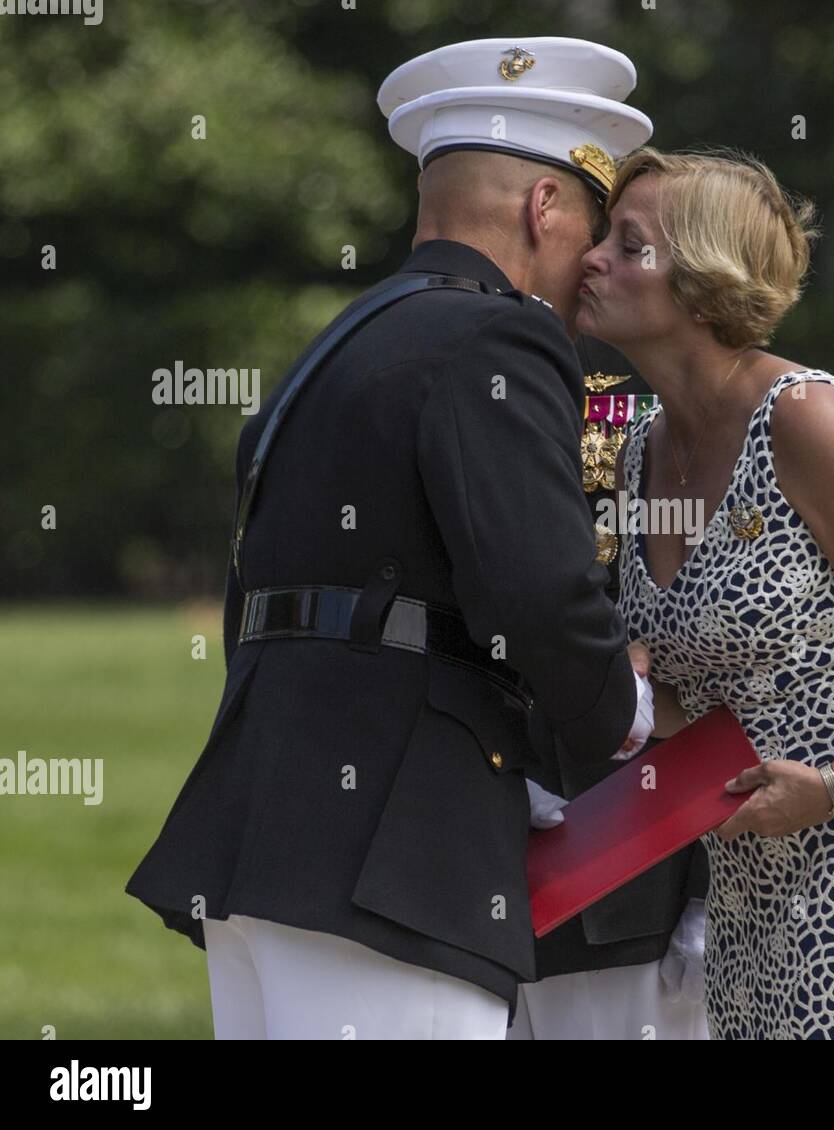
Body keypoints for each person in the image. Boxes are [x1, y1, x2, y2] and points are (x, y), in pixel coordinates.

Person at [124, 36, 654, 1040]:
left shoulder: (334, 347)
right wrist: (618, 718)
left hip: (262, 833)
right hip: (391, 857)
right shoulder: (504, 335)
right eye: (589, 225)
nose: (591, 263)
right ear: (545, 207)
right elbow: (537, 587)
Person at [576, 146, 834, 1039]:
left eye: (629, 245)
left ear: (701, 283)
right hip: (746, 871)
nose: (592, 259)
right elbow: (687, 677)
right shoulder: (638, 447)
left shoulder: (805, 417)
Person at [509, 335, 709, 1041]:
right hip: (470, 848)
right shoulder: (464, 336)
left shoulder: (675, 363)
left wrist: (706, 888)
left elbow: (716, 646)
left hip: (629, 860)